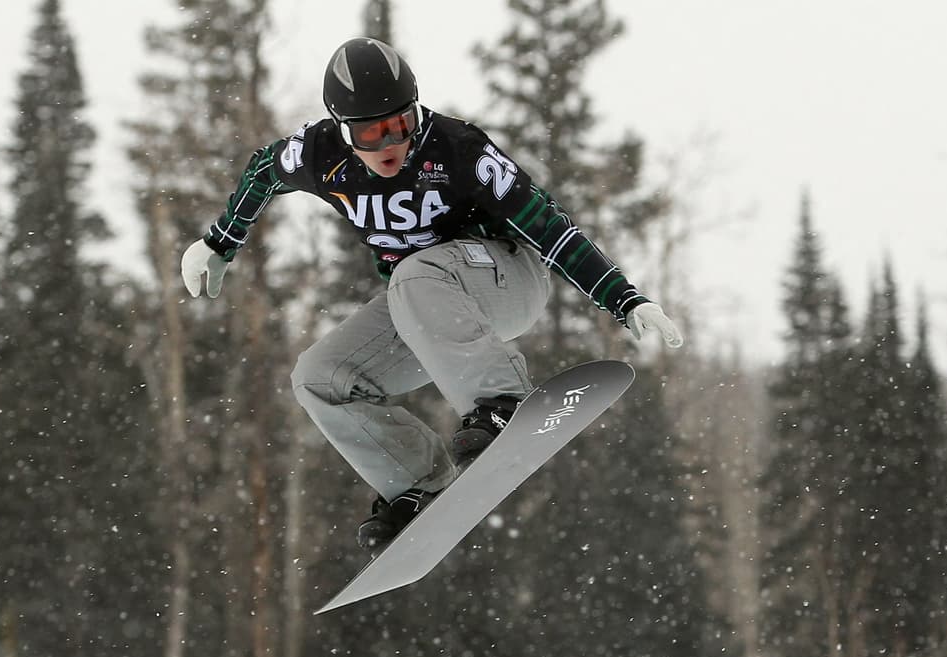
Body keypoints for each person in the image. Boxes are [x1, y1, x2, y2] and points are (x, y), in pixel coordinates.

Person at [181, 37, 683, 551]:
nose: (388, 145)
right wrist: (220, 241)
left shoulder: (458, 149)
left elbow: (548, 228)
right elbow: (264, 171)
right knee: (321, 378)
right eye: (370, 133)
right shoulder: (317, 153)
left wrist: (625, 299)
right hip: (429, 308)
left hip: (508, 277)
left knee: (414, 273)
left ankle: (502, 400)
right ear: (341, 129)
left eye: (400, 125)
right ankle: (415, 481)